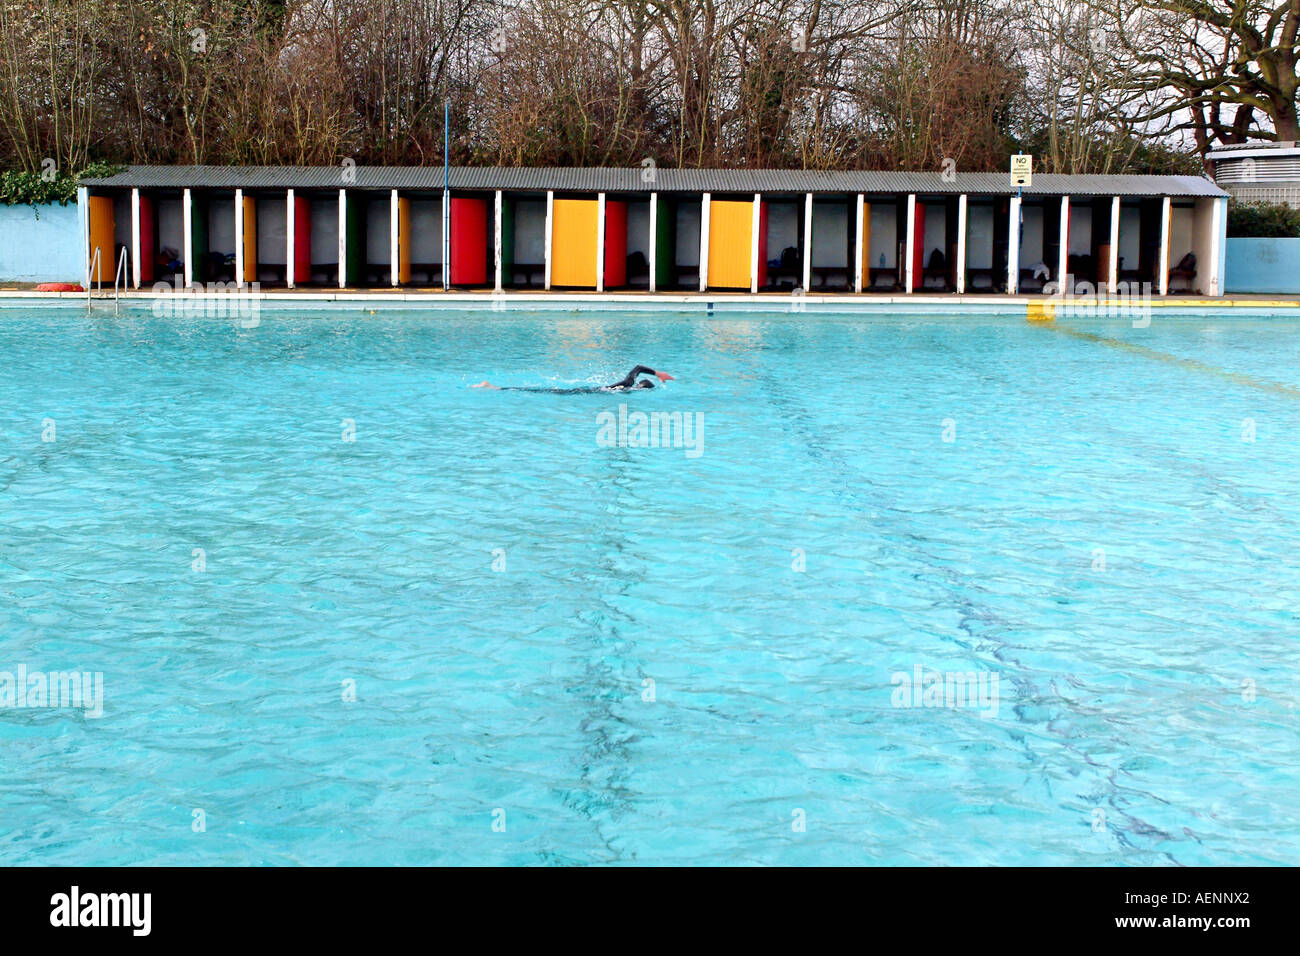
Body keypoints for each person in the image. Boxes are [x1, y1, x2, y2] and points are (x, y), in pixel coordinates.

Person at [471, 365, 673, 393]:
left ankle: (496, 387)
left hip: (593, 391)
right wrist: (658, 374)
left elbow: (637, 368)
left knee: (545, 391)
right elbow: (637, 368)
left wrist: (657, 374)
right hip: (591, 392)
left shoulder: (629, 385)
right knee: (545, 392)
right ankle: (495, 388)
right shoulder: (629, 386)